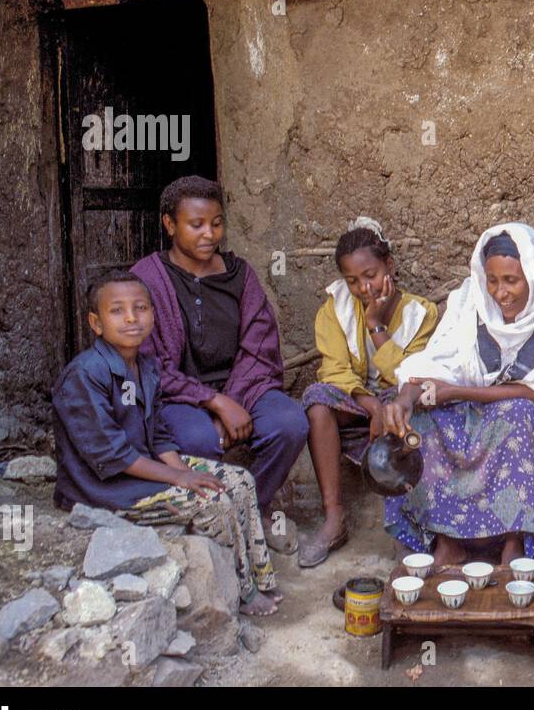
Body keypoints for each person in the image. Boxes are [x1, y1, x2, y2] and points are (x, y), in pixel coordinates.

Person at [52, 269, 280, 616]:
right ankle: (243, 594)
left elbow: (157, 433)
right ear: (96, 324)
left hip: (146, 469)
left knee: (241, 481)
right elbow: (111, 455)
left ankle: (261, 579)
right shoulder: (86, 374)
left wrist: (182, 470)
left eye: (140, 308)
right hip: (108, 488)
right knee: (214, 501)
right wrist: (179, 479)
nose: (131, 318)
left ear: (153, 316)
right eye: (117, 311)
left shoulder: (145, 367)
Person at [378, 223, 534, 566]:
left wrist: (457, 391)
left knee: (519, 415)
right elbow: (435, 362)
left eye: (512, 281)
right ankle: (448, 541)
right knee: (425, 422)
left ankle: (512, 541)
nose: (501, 293)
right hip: (469, 410)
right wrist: (405, 399)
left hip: (520, 413)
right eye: (494, 280)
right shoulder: (470, 302)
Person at [130, 176, 309, 553]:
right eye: (196, 224)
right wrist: (214, 403)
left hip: (243, 386)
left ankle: (251, 507)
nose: (209, 234)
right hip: (176, 395)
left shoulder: (239, 275)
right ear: (169, 224)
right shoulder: (147, 279)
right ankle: (209, 514)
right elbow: (148, 365)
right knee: (199, 439)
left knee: (290, 423)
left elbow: (259, 348)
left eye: (216, 223)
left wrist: (233, 400)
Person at [298, 218, 437, 568]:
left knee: (405, 411)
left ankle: (404, 531)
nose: (363, 288)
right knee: (317, 400)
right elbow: (334, 370)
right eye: (352, 281)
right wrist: (371, 404)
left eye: (370, 275)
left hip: (399, 405)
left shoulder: (422, 313)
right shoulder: (335, 310)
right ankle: (334, 519)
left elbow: (412, 374)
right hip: (360, 404)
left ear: (389, 266)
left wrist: (376, 326)